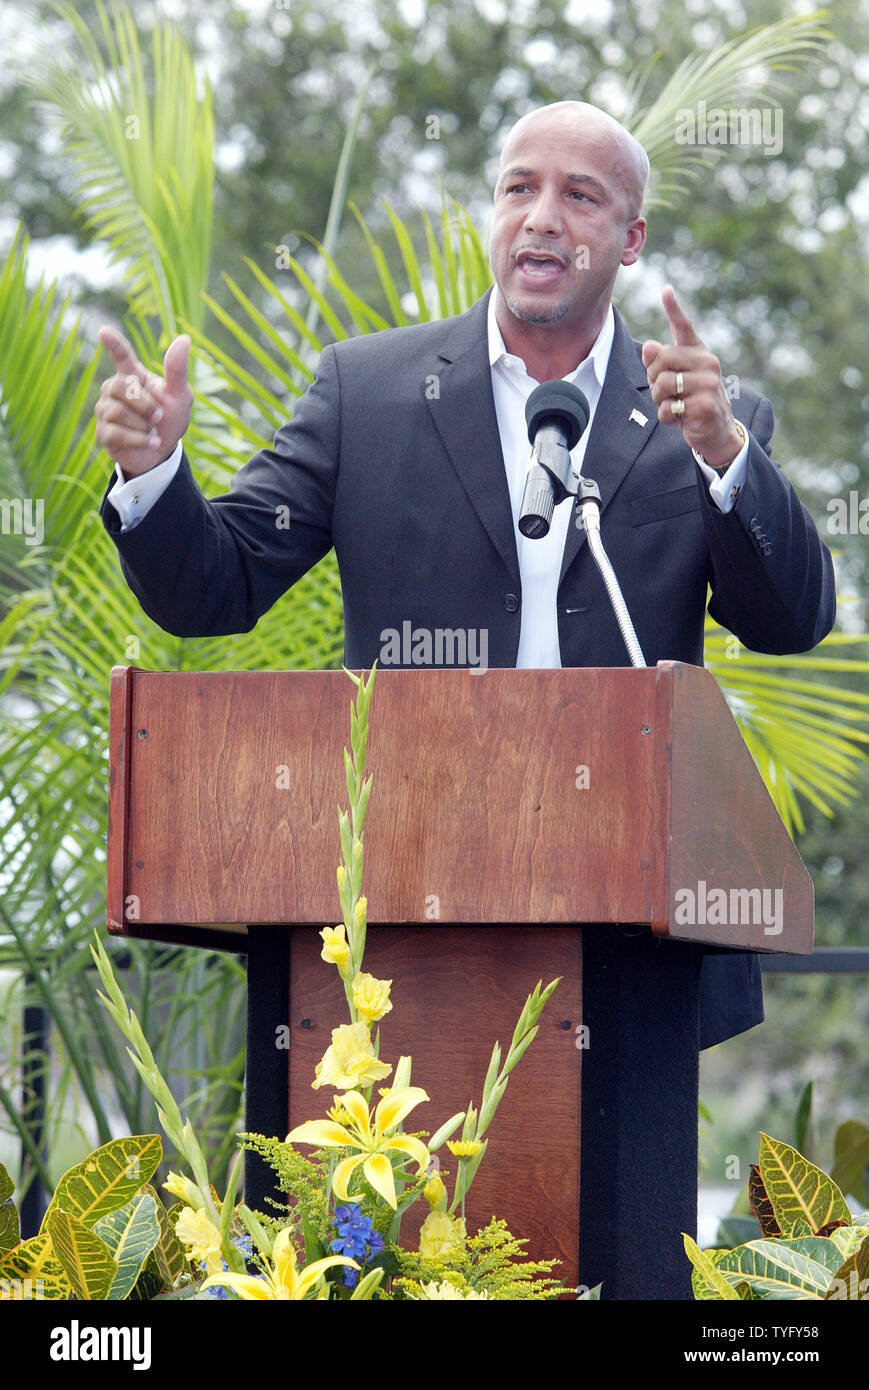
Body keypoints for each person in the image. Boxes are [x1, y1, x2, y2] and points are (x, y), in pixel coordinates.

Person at [96, 101, 835, 1050]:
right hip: (402, 890)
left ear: (631, 238)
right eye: (518, 188)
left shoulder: (698, 411)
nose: (540, 216)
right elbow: (216, 588)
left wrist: (721, 450)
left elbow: (789, 619)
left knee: (612, 1194)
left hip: (634, 907)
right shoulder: (366, 391)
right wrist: (153, 471)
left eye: (580, 196)